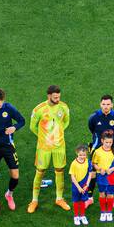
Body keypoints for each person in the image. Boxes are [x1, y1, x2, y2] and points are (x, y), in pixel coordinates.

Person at [29, 85, 71, 213]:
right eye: (55, 97)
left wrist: (58, 134)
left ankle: (59, 198)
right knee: (40, 171)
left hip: (59, 146)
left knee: (60, 170)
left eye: (59, 96)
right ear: (48, 96)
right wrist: (43, 137)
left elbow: (66, 122)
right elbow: (32, 127)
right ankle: (34, 201)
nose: (57, 99)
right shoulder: (39, 109)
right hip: (44, 147)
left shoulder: (64, 107)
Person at [92, 131, 114, 222]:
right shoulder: (97, 152)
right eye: (106, 142)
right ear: (102, 141)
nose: (108, 144)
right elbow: (94, 163)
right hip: (101, 177)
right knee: (102, 194)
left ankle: (109, 212)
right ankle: (103, 211)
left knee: (110, 194)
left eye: (110, 142)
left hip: (112, 177)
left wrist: (111, 169)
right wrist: (100, 169)